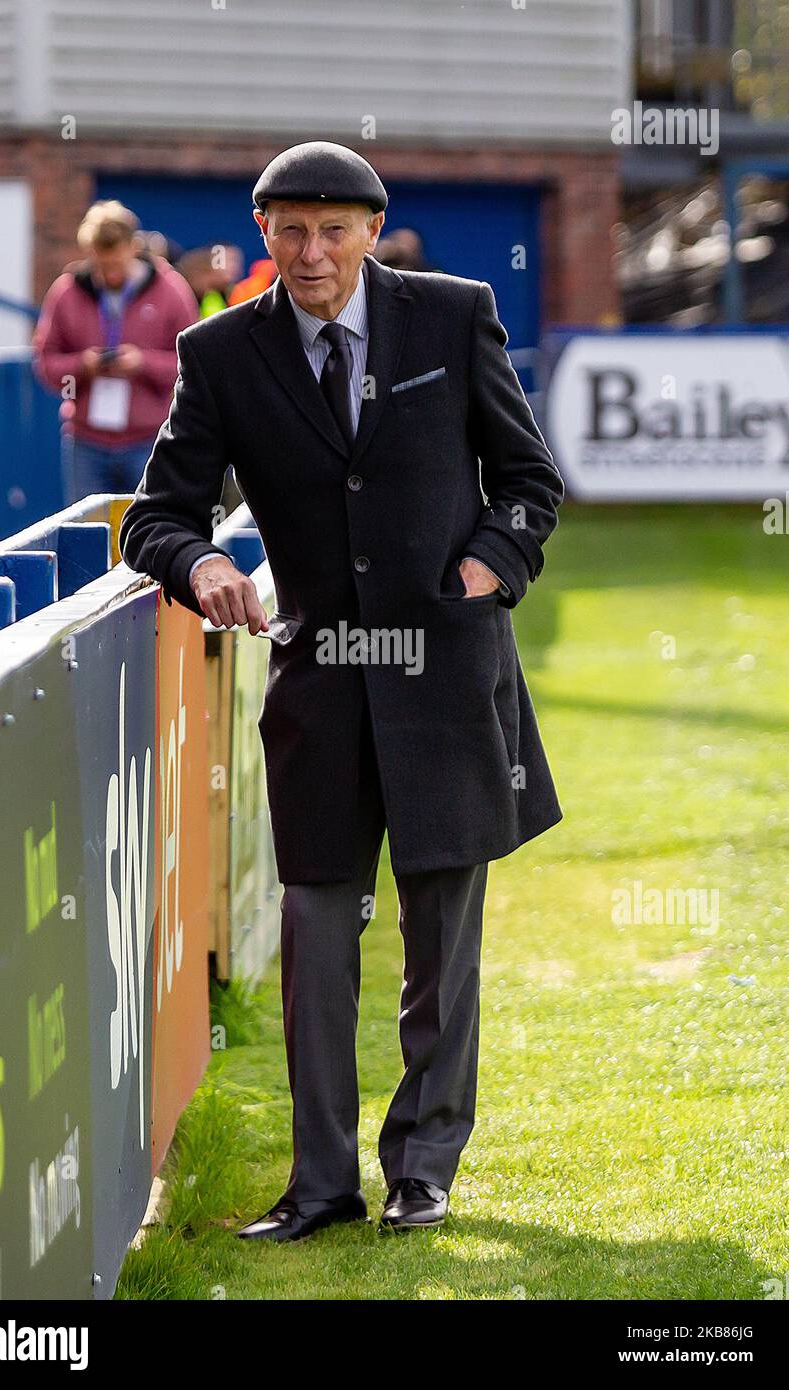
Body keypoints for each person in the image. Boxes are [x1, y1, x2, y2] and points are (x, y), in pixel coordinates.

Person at [119, 141, 564, 1241]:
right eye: (289, 230)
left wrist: (486, 568)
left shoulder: (452, 316)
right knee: (318, 937)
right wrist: (204, 565)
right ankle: (320, 1185)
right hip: (318, 688)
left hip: (449, 683)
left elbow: (527, 481)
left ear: (372, 228)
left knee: (438, 943)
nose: (310, 252)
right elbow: (158, 514)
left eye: (332, 229)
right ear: (260, 233)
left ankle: (421, 1166)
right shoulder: (219, 352)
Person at [33, 200, 198, 502]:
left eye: (116, 265)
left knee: (149, 531)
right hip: (85, 441)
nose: (109, 275)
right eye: (101, 266)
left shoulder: (171, 290)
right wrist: (83, 365)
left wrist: (142, 363)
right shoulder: (66, 293)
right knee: (87, 536)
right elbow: (45, 363)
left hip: (149, 439)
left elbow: (191, 364)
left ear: (133, 247)